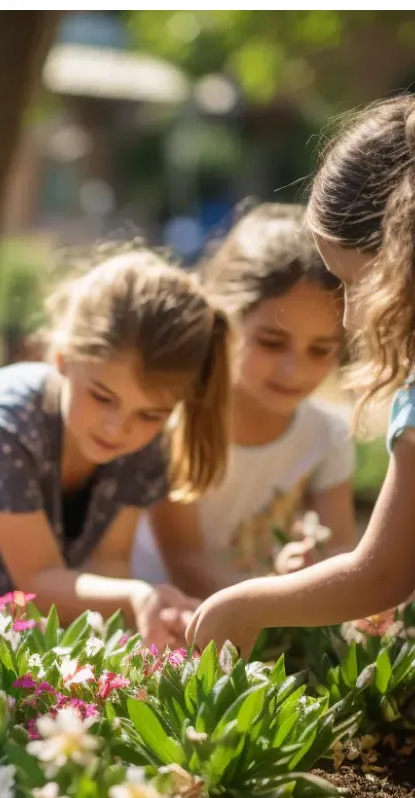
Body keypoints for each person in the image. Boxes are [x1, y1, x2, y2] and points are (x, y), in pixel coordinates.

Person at [186, 91, 415, 798]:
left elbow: (382, 571)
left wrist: (243, 603)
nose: (350, 307)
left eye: (350, 280)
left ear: (404, 260)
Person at [0, 248, 231, 647]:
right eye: (102, 396)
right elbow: (37, 577)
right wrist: (138, 596)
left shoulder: (147, 444)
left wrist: (141, 613)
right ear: (63, 359)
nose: (118, 428)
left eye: (149, 414)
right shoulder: (1, 427)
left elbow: (108, 562)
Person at [132, 202, 356, 597]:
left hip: (257, 635)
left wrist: (309, 566)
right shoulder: (176, 421)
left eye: (320, 350)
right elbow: (185, 560)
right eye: (272, 342)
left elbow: (339, 551)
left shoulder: (327, 435)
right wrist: (272, 602)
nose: (294, 370)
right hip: (162, 630)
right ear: (224, 319)